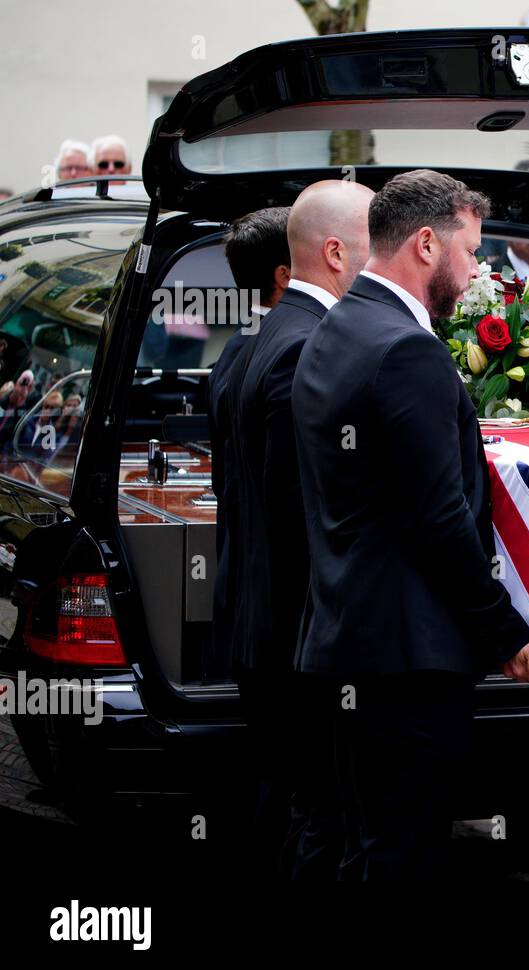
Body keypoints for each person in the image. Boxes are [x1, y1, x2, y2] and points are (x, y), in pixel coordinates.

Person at [292, 170, 529, 879]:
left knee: (367, 848)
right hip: (408, 658)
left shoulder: (337, 326)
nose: (476, 271)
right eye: (471, 251)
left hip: (346, 642)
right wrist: (505, 628)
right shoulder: (408, 349)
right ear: (427, 243)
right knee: (403, 854)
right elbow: (439, 519)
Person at [223, 179, 374, 879]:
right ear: (339, 254)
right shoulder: (308, 346)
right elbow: (300, 514)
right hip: (297, 633)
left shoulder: (260, 338)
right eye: (379, 243)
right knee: (321, 813)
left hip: (261, 617)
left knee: (285, 800)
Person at [210, 207, 291, 685]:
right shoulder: (286, 351)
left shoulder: (235, 350)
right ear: (285, 276)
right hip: (272, 605)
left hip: (241, 591)